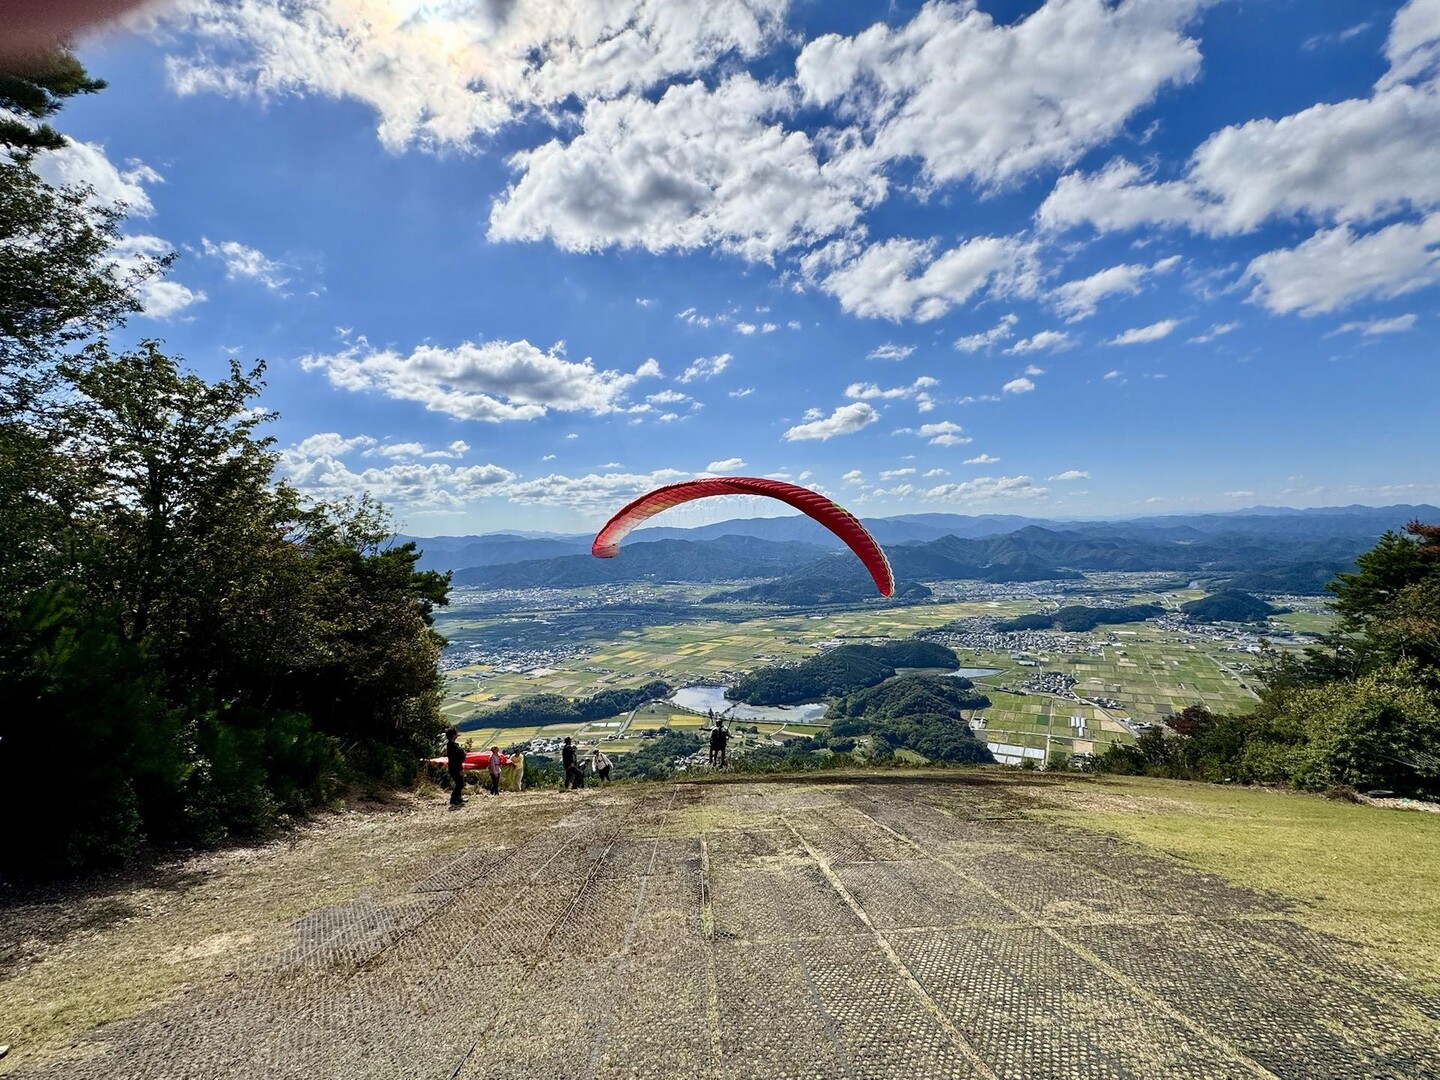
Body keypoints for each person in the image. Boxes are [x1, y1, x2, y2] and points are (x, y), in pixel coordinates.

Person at [445, 727, 466, 807]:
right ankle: (453, 799)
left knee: (460, 782)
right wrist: (460, 769)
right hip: (456, 767)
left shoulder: (450, 745)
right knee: (459, 783)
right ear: (454, 735)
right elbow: (457, 758)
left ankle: (458, 798)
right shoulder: (453, 746)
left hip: (454, 766)